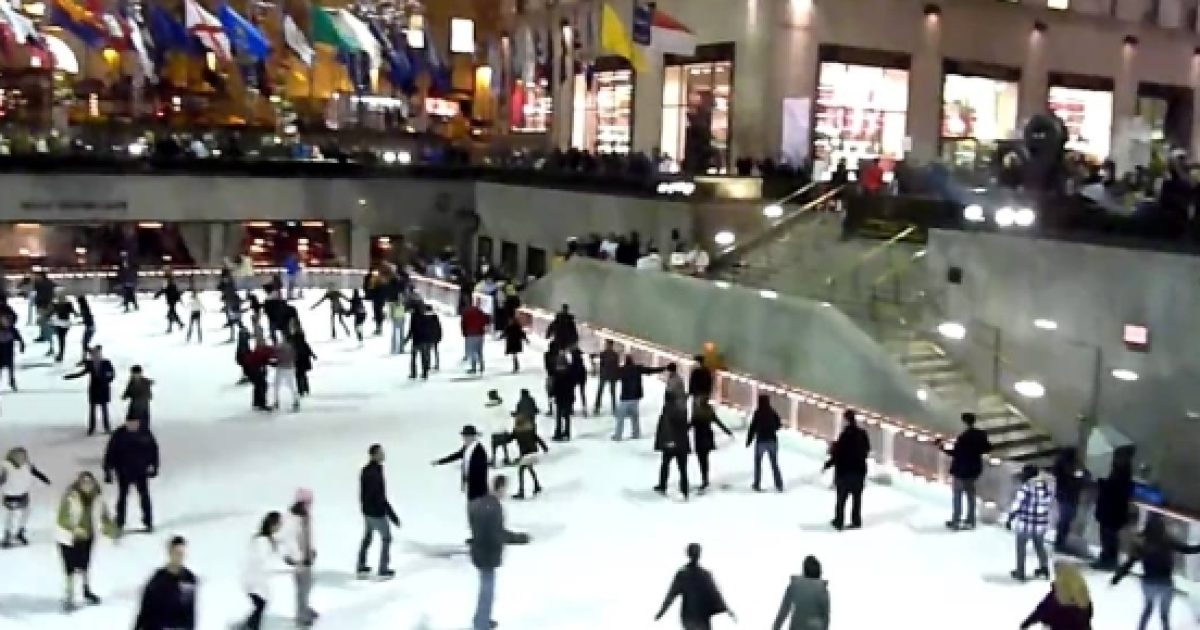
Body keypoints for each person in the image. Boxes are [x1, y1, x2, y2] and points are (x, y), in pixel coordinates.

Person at [1113, 514, 1200, 630]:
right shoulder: (1168, 541)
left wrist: (1117, 578)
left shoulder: (1142, 544)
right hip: (1165, 582)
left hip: (1148, 582)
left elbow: (1129, 563)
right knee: (1164, 614)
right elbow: (1188, 549)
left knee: (1147, 608)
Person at [468, 475, 530, 630]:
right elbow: (497, 533)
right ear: (500, 488)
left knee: (485, 588)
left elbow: (475, 523)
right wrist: (519, 538)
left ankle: (481, 618)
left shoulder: (479, 503)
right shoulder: (495, 508)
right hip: (488, 554)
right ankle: (481, 623)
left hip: (478, 551)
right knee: (487, 591)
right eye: (505, 489)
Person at [55, 471, 118, 611]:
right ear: (79, 483)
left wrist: (111, 530)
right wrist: (75, 529)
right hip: (68, 538)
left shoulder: (98, 498)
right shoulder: (71, 497)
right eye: (84, 482)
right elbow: (62, 518)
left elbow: (104, 517)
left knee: (84, 566)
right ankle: (70, 595)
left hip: (87, 537)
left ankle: (85, 590)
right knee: (71, 568)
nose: (87, 485)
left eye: (89, 482)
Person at [654, 543, 734, 630]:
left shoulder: (702, 574)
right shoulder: (685, 574)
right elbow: (671, 594)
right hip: (692, 615)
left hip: (699, 615)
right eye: (694, 552)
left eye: (697, 552)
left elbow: (715, 593)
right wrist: (661, 612)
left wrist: (727, 609)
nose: (696, 554)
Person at [103, 416, 159, 533]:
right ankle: (120, 522)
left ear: (138, 422)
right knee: (122, 496)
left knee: (144, 496)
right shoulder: (119, 434)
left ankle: (148, 521)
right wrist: (108, 470)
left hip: (140, 471)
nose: (133, 425)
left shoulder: (145, 433)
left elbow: (153, 450)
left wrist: (154, 466)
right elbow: (110, 452)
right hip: (123, 471)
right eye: (130, 423)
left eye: (135, 422)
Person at [133, 536, 198, 630]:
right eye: (176, 552)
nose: (179, 556)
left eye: (181, 553)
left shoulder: (189, 579)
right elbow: (145, 609)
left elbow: (190, 611)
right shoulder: (158, 579)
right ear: (170, 553)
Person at [943, 412, 993, 530]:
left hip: (960, 470)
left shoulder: (963, 437)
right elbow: (988, 448)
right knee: (971, 496)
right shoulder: (981, 434)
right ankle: (970, 520)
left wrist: (942, 447)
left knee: (957, 496)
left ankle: (956, 520)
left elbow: (956, 453)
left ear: (964, 422)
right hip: (974, 470)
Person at [357, 444, 401, 579]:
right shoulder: (375, 473)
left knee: (368, 537)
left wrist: (364, 507)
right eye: (381, 453)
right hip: (376, 512)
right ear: (374, 455)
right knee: (386, 538)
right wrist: (392, 515)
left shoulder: (366, 470)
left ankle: (361, 564)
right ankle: (383, 568)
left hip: (367, 511)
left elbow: (363, 492)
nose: (383, 455)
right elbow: (379, 496)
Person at [823, 410, 870, 530]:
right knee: (857, 498)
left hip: (845, 472)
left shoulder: (844, 436)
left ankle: (839, 521)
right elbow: (867, 450)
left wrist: (827, 465)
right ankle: (856, 521)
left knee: (841, 499)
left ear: (845, 420)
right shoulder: (863, 434)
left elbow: (837, 454)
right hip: (859, 471)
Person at [1006, 464, 1053, 581]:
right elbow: (1048, 503)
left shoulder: (1026, 488)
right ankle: (1044, 568)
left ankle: (1020, 572)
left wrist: (1010, 518)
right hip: (1041, 524)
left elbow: (1017, 504)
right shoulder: (1046, 488)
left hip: (1026, 524)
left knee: (1021, 548)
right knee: (1039, 546)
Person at [0, 446, 50, 547]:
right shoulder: (6, 467)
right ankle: (8, 535)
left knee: (26, 513)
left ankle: (20, 531)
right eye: (20, 456)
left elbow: (36, 473)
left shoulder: (27, 465)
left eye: (24, 456)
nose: (23, 458)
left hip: (23, 494)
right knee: (12, 515)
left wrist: (45, 480)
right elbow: (1, 479)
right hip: (11, 495)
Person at [241, 511, 284, 630]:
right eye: (278, 523)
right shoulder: (262, 541)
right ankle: (249, 626)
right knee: (260, 605)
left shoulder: (267, 540)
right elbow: (264, 561)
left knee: (261, 605)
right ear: (272, 524)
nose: (280, 526)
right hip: (254, 579)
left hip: (258, 580)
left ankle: (249, 626)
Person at [1020, 561, 1093, 630]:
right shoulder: (1084, 597)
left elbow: (1041, 610)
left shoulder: (1058, 596)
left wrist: (1026, 623)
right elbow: (1089, 616)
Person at [1093, 454, 1134, 570]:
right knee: (1110, 539)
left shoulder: (1119, 480)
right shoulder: (1125, 481)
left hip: (1110, 514)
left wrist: (1102, 484)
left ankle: (1107, 560)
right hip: (1114, 515)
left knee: (1108, 539)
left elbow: (1111, 493)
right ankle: (1108, 560)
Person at [283, 489, 318, 628]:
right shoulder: (292, 519)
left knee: (307, 585)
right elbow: (290, 540)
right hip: (298, 559)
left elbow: (309, 535)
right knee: (302, 587)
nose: (310, 505)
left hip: (306, 556)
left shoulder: (305, 516)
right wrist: (298, 558)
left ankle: (304, 608)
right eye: (308, 503)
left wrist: (312, 550)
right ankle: (301, 615)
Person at [64, 345, 116, 436]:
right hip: (94, 389)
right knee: (92, 410)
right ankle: (92, 428)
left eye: (96, 353)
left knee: (104, 409)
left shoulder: (106, 362)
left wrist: (106, 380)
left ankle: (107, 427)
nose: (94, 355)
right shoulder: (90, 363)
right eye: (93, 354)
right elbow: (82, 373)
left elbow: (112, 374)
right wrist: (70, 376)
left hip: (103, 388)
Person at [614, 355, 668, 440]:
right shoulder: (638, 368)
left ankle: (618, 436)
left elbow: (614, 376)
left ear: (625, 361)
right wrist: (663, 368)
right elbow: (650, 370)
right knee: (634, 416)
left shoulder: (622, 370)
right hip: (636, 397)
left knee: (620, 417)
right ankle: (636, 433)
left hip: (625, 397)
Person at [772, 555, 830, 630]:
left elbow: (784, 609)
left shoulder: (795, 585)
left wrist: (776, 627)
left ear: (804, 570)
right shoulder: (822, 590)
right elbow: (825, 616)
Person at [432, 425, 490, 501]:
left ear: (473, 437)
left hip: (478, 487)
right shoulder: (467, 447)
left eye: (466, 436)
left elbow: (481, 470)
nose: (464, 439)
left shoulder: (480, 450)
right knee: (471, 504)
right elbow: (456, 455)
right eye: (464, 436)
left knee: (476, 505)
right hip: (470, 485)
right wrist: (439, 461)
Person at [654, 391, 691, 499]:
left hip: (670, 444)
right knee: (683, 468)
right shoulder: (682, 410)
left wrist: (665, 442)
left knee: (665, 465)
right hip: (682, 443)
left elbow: (665, 428)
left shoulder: (667, 410)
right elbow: (685, 426)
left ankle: (662, 485)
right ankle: (685, 490)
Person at [690, 398, 732, 492]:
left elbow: (689, 425)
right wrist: (728, 432)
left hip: (699, 438)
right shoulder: (709, 411)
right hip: (708, 437)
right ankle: (705, 479)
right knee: (705, 459)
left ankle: (705, 479)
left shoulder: (697, 413)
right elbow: (718, 422)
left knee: (702, 459)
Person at [1052, 447, 1089, 554]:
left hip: (1066, 496)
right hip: (1069, 497)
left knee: (1066, 520)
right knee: (1065, 520)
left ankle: (1060, 541)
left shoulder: (1063, 465)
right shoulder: (1068, 466)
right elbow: (1081, 477)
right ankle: (1060, 542)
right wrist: (1081, 476)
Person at [747, 394, 784, 492]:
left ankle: (757, 484)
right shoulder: (772, 412)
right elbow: (779, 424)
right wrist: (773, 430)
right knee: (774, 463)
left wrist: (749, 441)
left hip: (761, 441)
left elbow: (752, 428)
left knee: (758, 463)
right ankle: (779, 485)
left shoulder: (758, 413)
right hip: (772, 440)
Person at [511, 406, 549, 499]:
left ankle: (521, 492)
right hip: (533, 452)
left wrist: (502, 438)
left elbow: (509, 438)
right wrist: (545, 448)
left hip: (526, 454)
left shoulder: (517, 431)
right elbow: (538, 438)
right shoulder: (530, 429)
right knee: (529, 468)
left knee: (521, 470)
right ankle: (537, 486)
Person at [550, 353, 577, 441]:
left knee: (559, 416)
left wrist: (552, 394)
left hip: (560, 397)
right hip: (568, 396)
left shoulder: (556, 373)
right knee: (567, 416)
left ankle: (558, 432)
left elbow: (555, 386)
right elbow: (573, 384)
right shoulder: (570, 371)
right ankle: (567, 432)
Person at [591, 339, 620, 415]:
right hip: (608, 375)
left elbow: (616, 366)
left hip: (607, 375)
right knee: (607, 392)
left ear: (610, 345)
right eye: (607, 344)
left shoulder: (608, 354)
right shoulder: (612, 354)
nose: (607, 346)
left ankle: (600, 407)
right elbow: (616, 367)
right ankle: (611, 408)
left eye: (608, 344)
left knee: (604, 392)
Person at [461, 300, 490, 375]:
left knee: (472, 351)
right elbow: (487, 319)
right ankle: (481, 366)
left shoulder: (466, 312)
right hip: (480, 333)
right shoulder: (479, 311)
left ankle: (474, 368)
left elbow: (463, 323)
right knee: (479, 350)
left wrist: (464, 333)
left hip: (470, 333)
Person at [272, 336, 300, 412]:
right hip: (290, 368)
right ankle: (296, 400)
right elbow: (294, 357)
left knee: (277, 385)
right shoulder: (292, 347)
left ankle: (276, 401)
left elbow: (276, 355)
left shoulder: (280, 346)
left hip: (281, 368)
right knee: (291, 385)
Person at [48, 292, 76, 363]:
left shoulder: (57, 304)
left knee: (61, 338)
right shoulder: (67, 304)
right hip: (65, 323)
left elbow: (51, 312)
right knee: (62, 339)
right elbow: (74, 312)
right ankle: (61, 354)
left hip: (61, 323)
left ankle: (60, 354)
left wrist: (47, 317)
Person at [0, 313, 25, 390]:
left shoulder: (12, 329)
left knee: (10, 366)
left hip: (9, 351)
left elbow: (20, 338)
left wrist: (22, 346)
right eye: (3, 321)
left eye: (7, 321)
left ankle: (12, 381)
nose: (5, 323)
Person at [291, 322, 316, 397]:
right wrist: (312, 355)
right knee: (302, 374)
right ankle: (305, 388)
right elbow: (307, 347)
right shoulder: (300, 338)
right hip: (302, 358)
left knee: (299, 375)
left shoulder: (293, 339)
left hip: (298, 358)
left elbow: (305, 347)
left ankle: (301, 389)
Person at [76, 295, 95, 359]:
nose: (77, 303)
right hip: (90, 327)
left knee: (84, 344)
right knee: (84, 343)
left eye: (78, 301)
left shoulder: (85, 309)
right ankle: (84, 357)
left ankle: (93, 353)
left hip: (90, 328)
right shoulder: (85, 308)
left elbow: (88, 319)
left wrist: (82, 322)